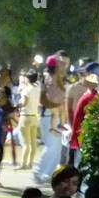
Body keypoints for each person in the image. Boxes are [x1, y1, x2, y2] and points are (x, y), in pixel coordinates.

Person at [32, 51, 70, 184]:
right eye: (62, 62)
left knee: (56, 147)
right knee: (52, 146)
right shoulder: (50, 77)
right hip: (49, 114)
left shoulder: (52, 77)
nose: (64, 65)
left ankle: (48, 174)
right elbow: (44, 98)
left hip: (52, 115)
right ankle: (39, 172)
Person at [67, 62, 99, 169]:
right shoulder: (89, 93)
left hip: (85, 136)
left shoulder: (94, 96)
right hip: (81, 135)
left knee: (82, 165)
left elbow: (93, 118)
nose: (82, 77)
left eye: (85, 74)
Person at [17, 69, 41, 172]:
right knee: (33, 142)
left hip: (25, 116)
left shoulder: (26, 90)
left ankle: (23, 164)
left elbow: (24, 103)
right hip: (34, 117)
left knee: (26, 143)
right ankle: (30, 163)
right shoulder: (38, 89)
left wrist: (18, 105)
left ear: (28, 78)